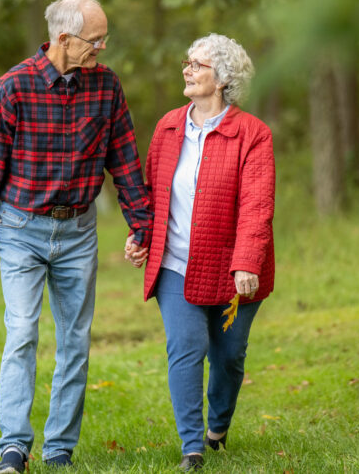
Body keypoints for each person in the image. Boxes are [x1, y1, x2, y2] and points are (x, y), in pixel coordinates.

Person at [0, 0, 152, 474]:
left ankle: (60, 449)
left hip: (79, 233)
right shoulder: (15, 87)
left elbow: (124, 159)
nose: (102, 48)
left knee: (75, 340)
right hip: (22, 228)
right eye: (95, 39)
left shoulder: (106, 88)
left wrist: (141, 222)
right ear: (63, 39)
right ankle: (13, 448)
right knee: (22, 331)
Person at [125, 33, 275, 471]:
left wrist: (247, 261)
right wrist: (141, 236)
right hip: (176, 265)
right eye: (187, 62)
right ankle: (192, 447)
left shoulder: (252, 134)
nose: (187, 70)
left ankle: (218, 427)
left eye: (198, 64)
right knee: (185, 348)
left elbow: (257, 204)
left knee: (228, 359)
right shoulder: (169, 125)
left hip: (235, 271)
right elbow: (151, 192)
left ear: (223, 78)